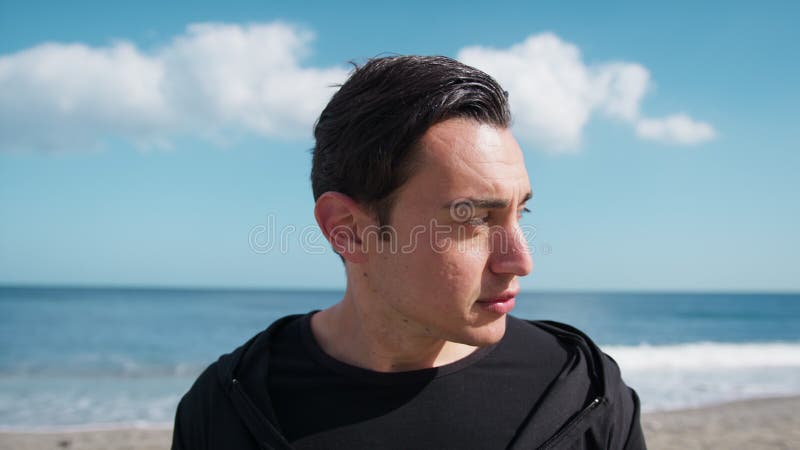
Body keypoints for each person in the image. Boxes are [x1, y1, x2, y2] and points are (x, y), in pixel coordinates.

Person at [172, 55, 646, 450]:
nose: (521, 260)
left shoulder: (585, 393)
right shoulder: (227, 410)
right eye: (473, 218)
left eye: (520, 213)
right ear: (347, 231)